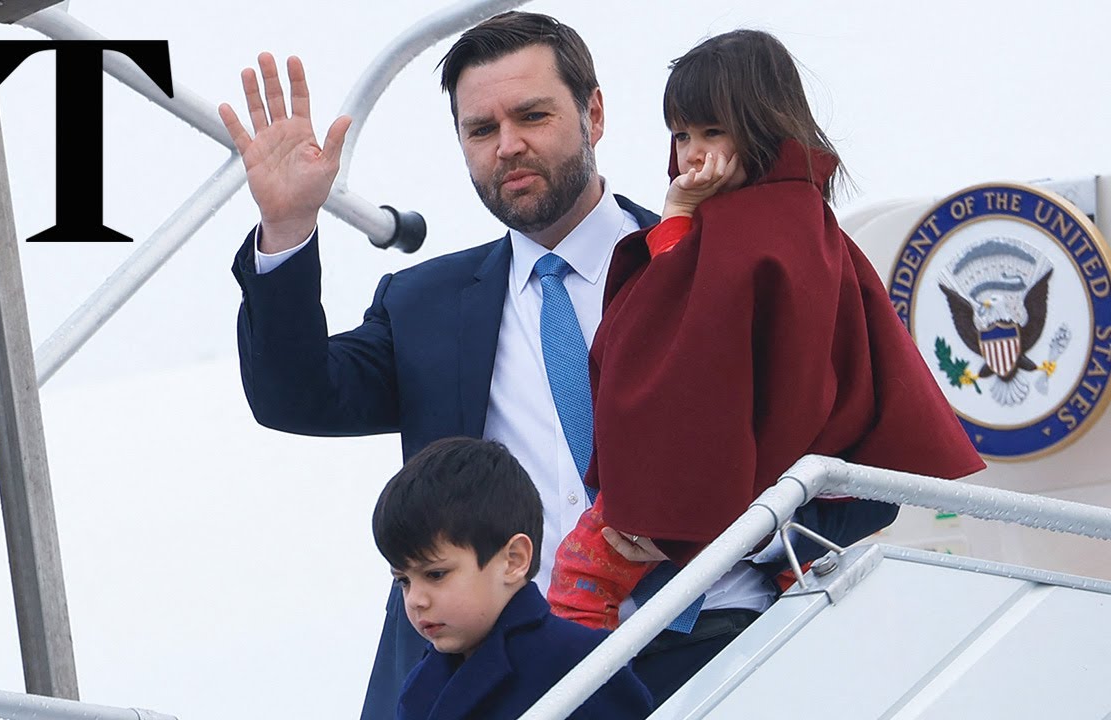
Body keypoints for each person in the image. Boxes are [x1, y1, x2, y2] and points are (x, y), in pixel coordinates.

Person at [219, 11, 910, 716]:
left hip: (727, 660)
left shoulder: (737, 263)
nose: (508, 145)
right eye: (480, 130)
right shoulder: (422, 305)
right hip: (509, 685)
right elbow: (293, 396)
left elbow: (869, 471)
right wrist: (287, 226)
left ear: (594, 114)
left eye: (532, 115)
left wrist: (731, 533)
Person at [548, 29, 985, 647]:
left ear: (760, 127)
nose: (693, 154)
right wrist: (683, 215)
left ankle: (578, 678)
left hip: (727, 483)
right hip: (797, 491)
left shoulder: (745, 235)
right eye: (681, 136)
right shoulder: (801, 223)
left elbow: (669, 339)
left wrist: (677, 218)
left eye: (712, 132)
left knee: (580, 580)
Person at [372, 437, 652, 719]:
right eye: (404, 581)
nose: (416, 600)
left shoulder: (581, 662)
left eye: (436, 574)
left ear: (514, 560)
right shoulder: (420, 684)